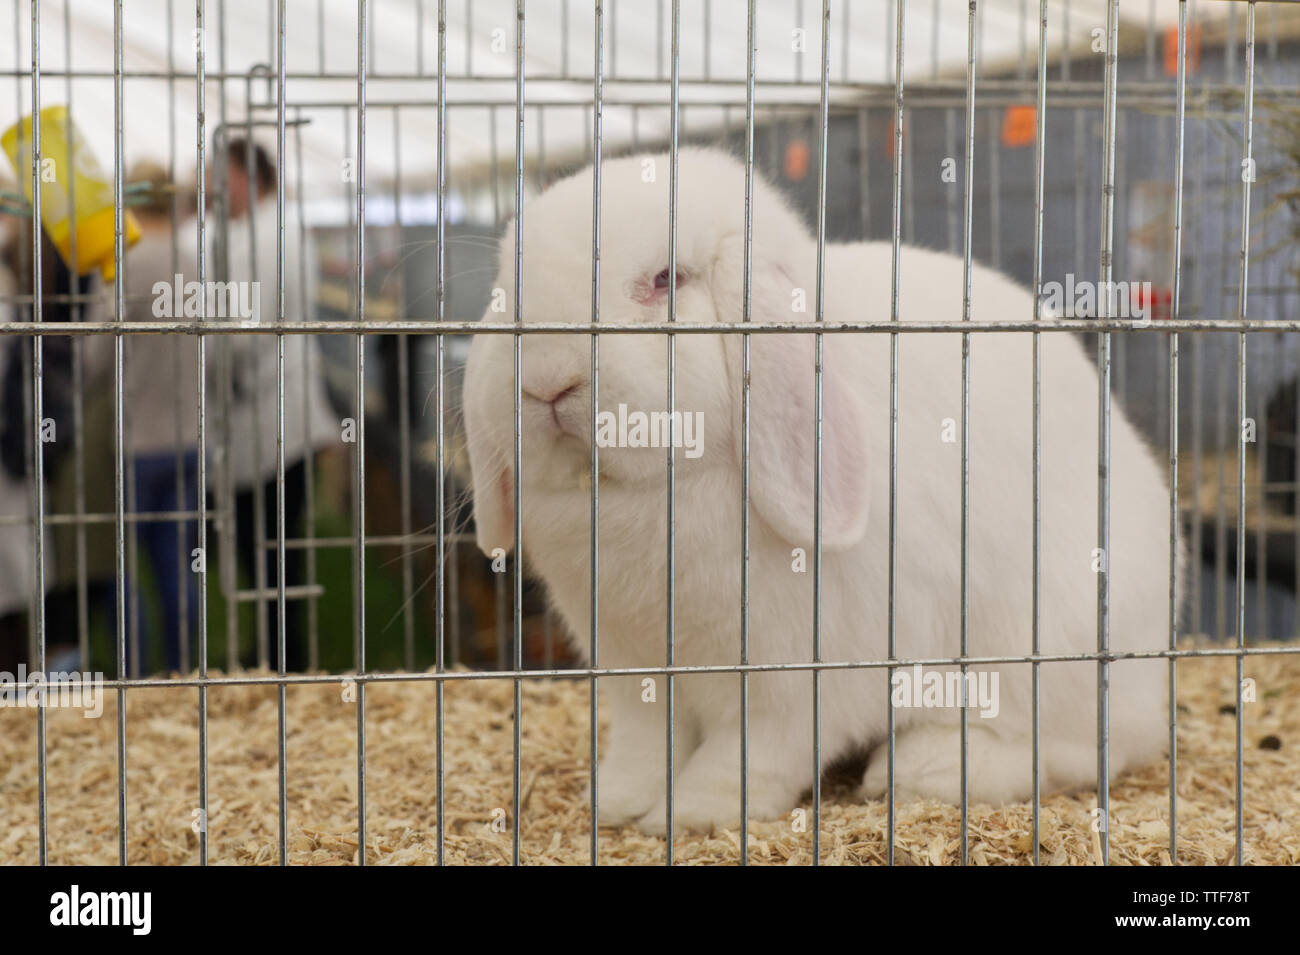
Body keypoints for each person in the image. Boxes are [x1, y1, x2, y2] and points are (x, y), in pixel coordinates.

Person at [210, 136, 335, 671]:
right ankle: (273, 651)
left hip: (275, 413)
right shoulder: (252, 232)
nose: (215, 187)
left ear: (249, 177)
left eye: (223, 175)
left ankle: (285, 661)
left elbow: (246, 330)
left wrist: (204, 338)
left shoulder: (270, 236)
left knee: (273, 550)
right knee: (261, 548)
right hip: (260, 413)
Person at [121, 160, 201, 673]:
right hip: (189, 436)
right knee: (179, 566)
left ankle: (133, 678)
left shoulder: (125, 261)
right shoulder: (193, 262)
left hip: (133, 439)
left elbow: (93, 354)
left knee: (122, 569)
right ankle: (181, 673)